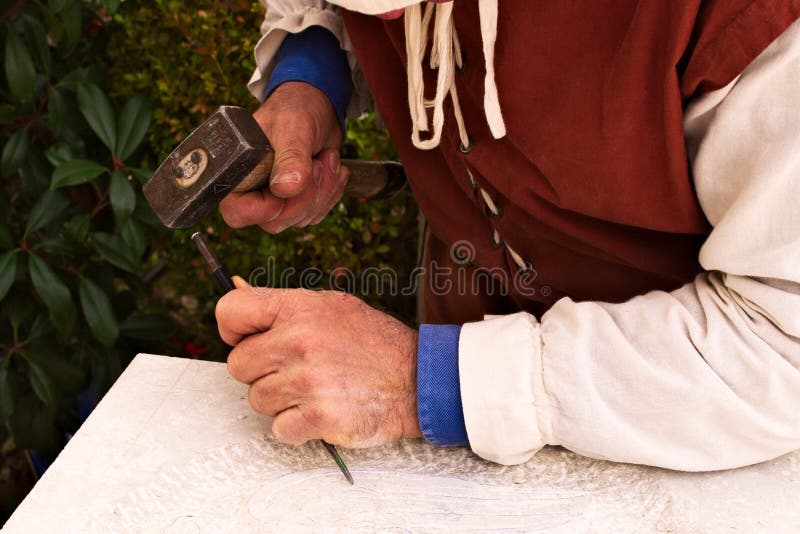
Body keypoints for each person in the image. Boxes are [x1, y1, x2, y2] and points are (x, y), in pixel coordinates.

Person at [215, 0, 800, 469]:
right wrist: (308, 79)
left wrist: (426, 378)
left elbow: (783, 352)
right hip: (463, 333)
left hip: (688, 417)